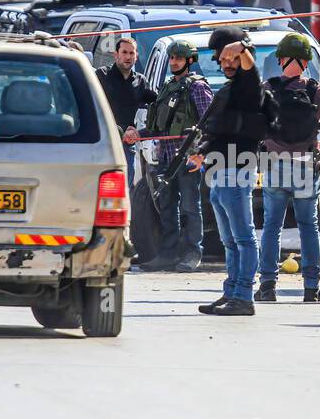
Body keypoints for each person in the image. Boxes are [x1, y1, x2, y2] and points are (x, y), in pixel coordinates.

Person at [256, 33, 320, 303]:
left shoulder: (267, 88)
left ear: (281, 59)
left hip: (274, 166)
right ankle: (311, 288)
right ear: (307, 62)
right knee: (309, 226)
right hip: (306, 166)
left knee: (272, 226)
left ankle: (267, 286)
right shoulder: (316, 90)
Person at [192, 28, 276, 317]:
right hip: (218, 171)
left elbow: (250, 69)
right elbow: (219, 131)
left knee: (243, 238)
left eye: (232, 59)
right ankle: (231, 292)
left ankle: (244, 297)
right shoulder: (228, 91)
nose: (227, 63)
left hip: (237, 171)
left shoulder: (248, 86)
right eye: (223, 59)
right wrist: (201, 152)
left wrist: (240, 47)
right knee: (229, 241)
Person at [133, 40, 213, 272]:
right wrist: (137, 134)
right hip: (165, 158)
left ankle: (192, 253)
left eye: (178, 58)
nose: (173, 62)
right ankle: (168, 254)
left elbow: (209, 124)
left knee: (190, 208)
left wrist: (199, 153)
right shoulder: (168, 87)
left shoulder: (198, 88)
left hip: (187, 160)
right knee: (167, 207)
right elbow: (157, 127)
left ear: (189, 61)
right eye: (172, 57)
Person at [95, 35, 156, 177]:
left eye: (131, 53)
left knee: (126, 186)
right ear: (116, 55)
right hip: (103, 144)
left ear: (136, 56)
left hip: (126, 145)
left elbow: (158, 105)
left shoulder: (140, 81)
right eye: (124, 52)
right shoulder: (102, 75)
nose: (128, 57)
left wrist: (141, 132)